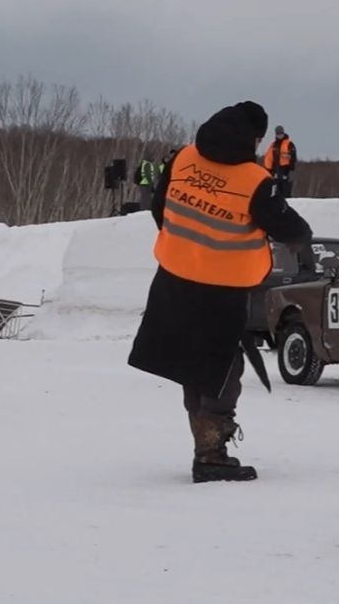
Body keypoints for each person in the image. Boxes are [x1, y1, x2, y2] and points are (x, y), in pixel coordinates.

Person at [128, 101, 314, 483]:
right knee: (222, 368)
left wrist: (187, 244)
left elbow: (160, 208)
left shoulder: (183, 159)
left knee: (191, 365)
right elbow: (293, 231)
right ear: (256, 138)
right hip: (222, 290)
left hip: (173, 277)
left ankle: (206, 448)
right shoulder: (253, 180)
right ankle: (212, 454)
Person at [263, 125, 298, 197]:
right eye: (278, 134)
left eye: (281, 133)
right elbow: (268, 157)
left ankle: (287, 200)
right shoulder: (273, 145)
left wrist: (291, 166)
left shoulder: (289, 144)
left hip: (286, 170)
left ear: (283, 133)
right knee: (276, 190)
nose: (279, 135)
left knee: (285, 189)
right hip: (275, 169)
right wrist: (268, 169)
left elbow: (293, 156)